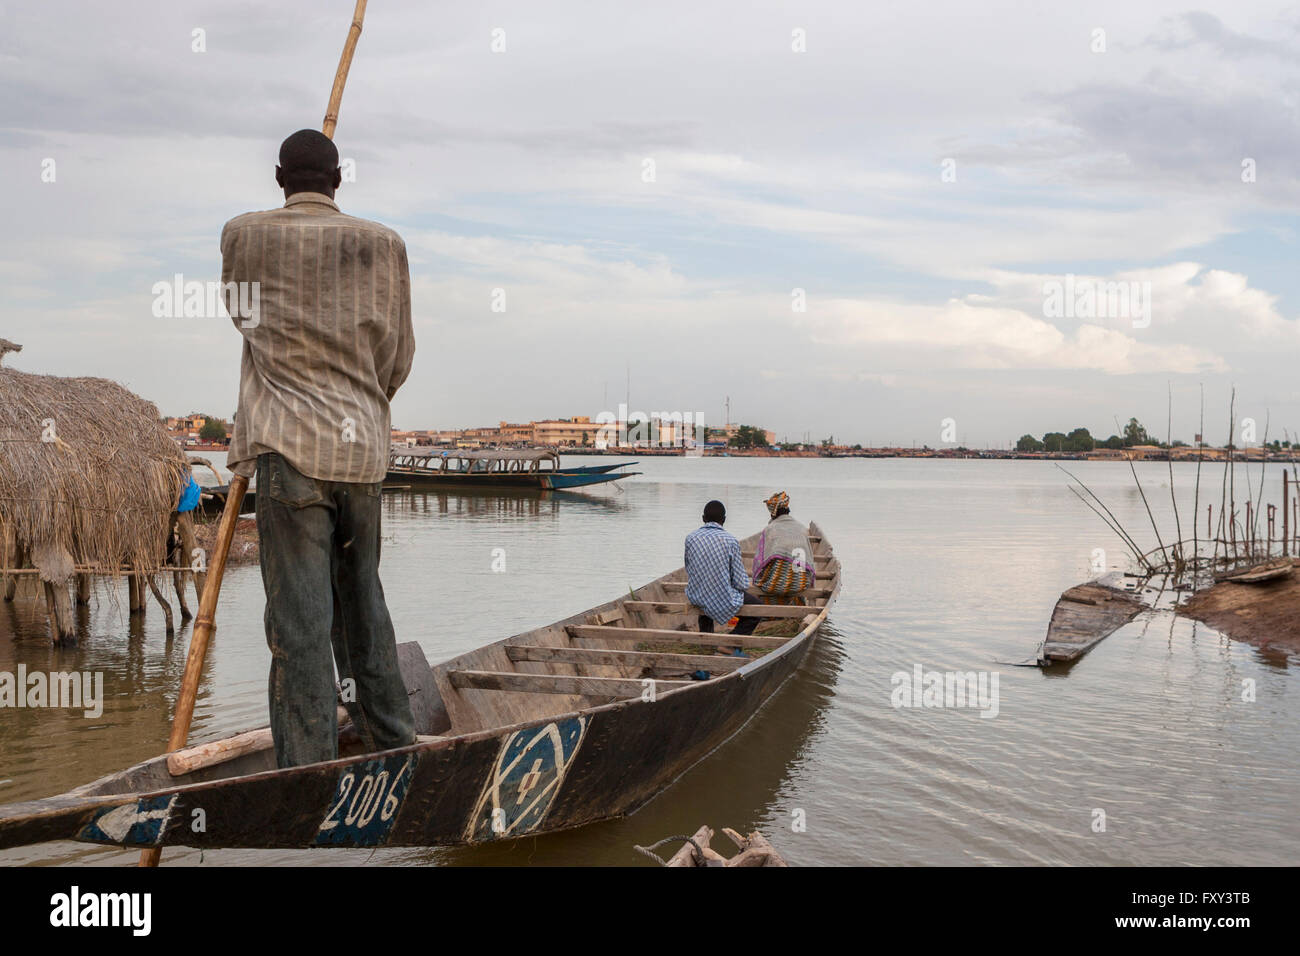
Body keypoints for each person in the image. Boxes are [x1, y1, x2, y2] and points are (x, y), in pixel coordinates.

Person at [222, 129, 416, 768]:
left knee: (300, 625)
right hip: (362, 454)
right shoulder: (384, 245)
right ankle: (394, 745)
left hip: (289, 450)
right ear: (340, 179)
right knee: (364, 608)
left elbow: (244, 317)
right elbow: (398, 358)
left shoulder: (244, 235)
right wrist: (360, 396)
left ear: (280, 177)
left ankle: (307, 767)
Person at [684, 500, 760, 645]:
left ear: (703, 519)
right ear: (723, 520)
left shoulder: (690, 538)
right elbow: (740, 582)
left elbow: (689, 568)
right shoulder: (730, 540)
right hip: (718, 595)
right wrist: (739, 586)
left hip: (696, 595)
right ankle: (729, 644)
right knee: (757, 610)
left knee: (705, 602)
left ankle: (706, 645)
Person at [751, 491, 815, 601]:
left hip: (773, 585)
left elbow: (759, 563)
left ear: (772, 513)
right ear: (787, 509)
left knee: (762, 577)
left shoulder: (769, 529)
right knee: (797, 570)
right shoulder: (801, 528)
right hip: (801, 585)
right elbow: (810, 561)